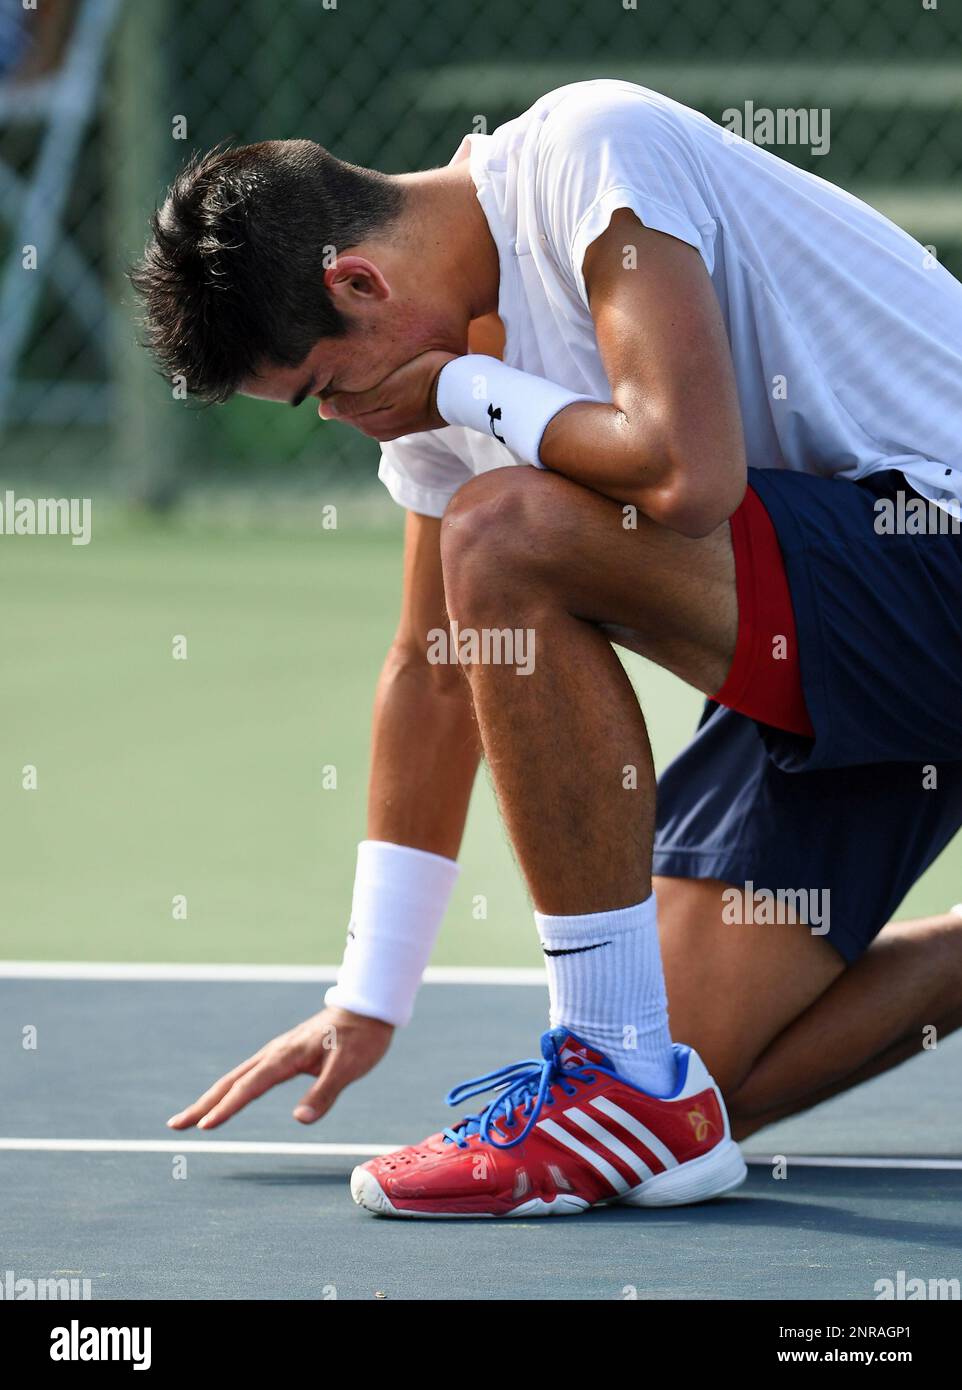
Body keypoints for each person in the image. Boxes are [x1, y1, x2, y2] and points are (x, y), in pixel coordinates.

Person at [131, 80, 962, 1218]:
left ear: (357, 283)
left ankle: (605, 1062)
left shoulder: (587, 149)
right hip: (851, 640)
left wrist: (469, 387)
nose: (338, 417)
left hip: (931, 553)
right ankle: (639, 1085)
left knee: (505, 531)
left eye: (322, 390)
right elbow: (430, 670)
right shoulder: (426, 398)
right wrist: (367, 994)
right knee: (700, 1083)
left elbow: (685, 471)